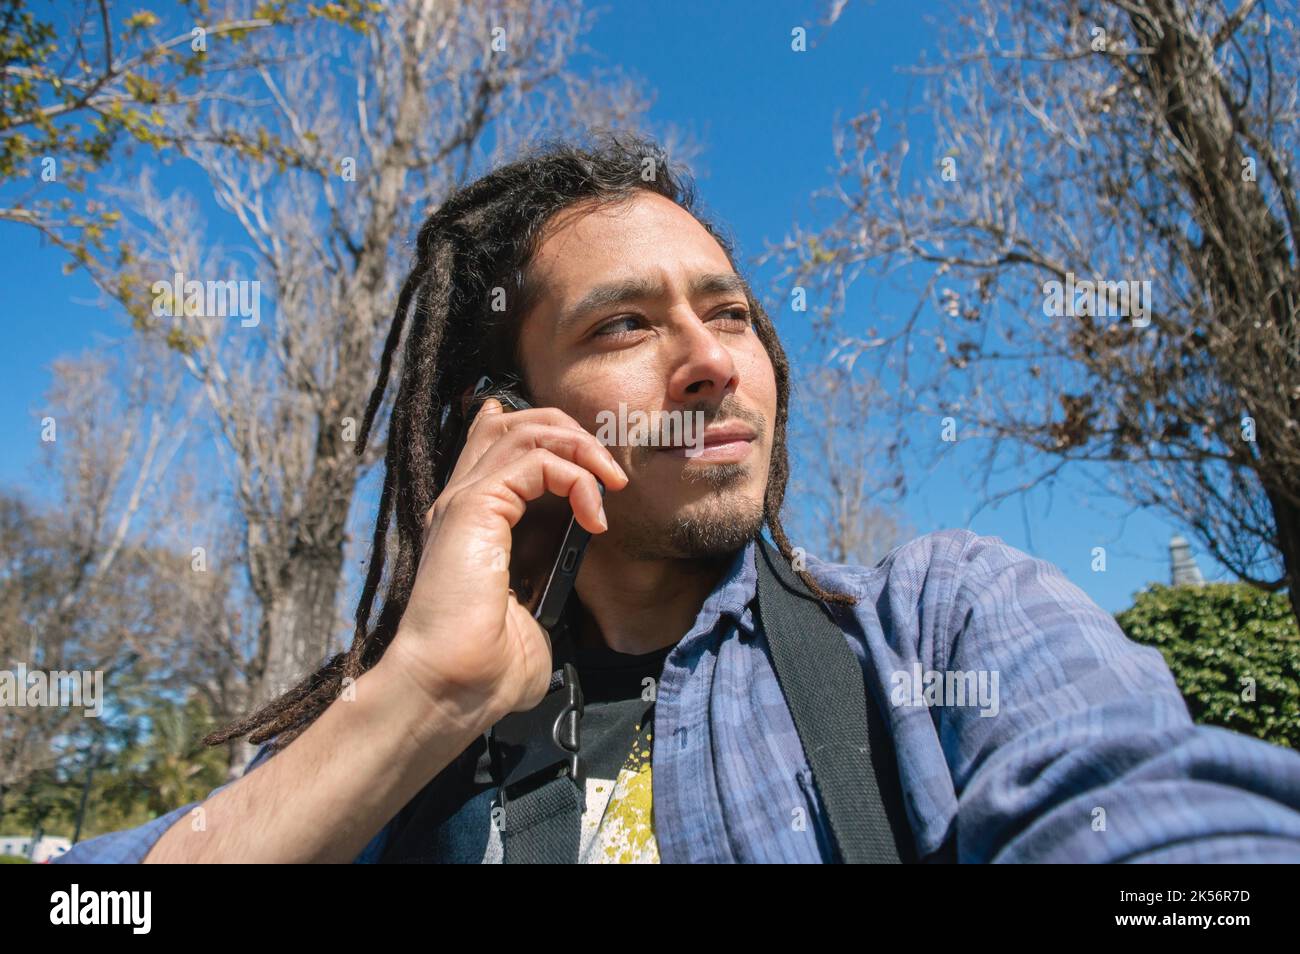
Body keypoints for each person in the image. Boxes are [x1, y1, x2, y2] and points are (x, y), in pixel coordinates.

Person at [57, 132, 1300, 864]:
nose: (712, 359)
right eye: (624, 324)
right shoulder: (398, 749)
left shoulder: (939, 625)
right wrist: (415, 702)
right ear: (507, 419)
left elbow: (1171, 839)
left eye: (729, 313)